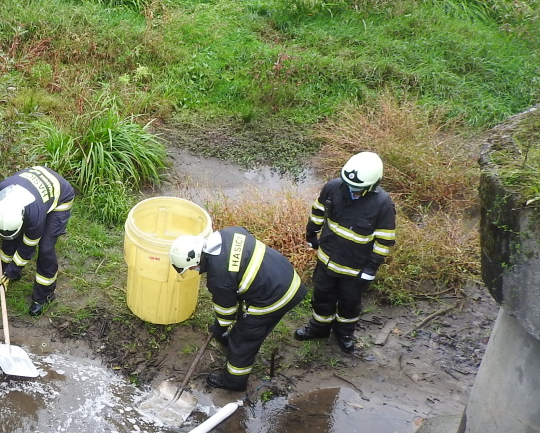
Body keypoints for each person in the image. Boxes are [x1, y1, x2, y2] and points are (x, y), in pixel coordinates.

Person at [169, 226, 307, 392]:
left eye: (191, 268)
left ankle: (234, 381)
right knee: (245, 322)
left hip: (274, 297)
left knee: (244, 338)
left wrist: (219, 328)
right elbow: (244, 236)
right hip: (283, 276)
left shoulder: (219, 278)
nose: (193, 270)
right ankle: (232, 342)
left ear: (196, 259)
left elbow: (226, 311)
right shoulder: (226, 234)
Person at [293, 151, 397, 353]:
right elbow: (318, 211)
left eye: (358, 189)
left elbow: (384, 240)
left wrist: (371, 269)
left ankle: (344, 333)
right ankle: (318, 328)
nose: (352, 191)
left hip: (355, 269)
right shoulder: (333, 188)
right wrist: (311, 234)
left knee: (349, 304)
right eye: (349, 186)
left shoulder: (383, 204)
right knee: (322, 296)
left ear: (373, 184)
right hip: (326, 261)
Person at [0, 166, 75, 317]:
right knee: (9, 242)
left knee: (45, 249)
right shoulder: (0, 192)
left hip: (60, 197)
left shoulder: (34, 217)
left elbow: (27, 249)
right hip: (35, 189)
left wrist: (11, 271)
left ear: (23, 217)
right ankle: (4, 274)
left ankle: (44, 297)